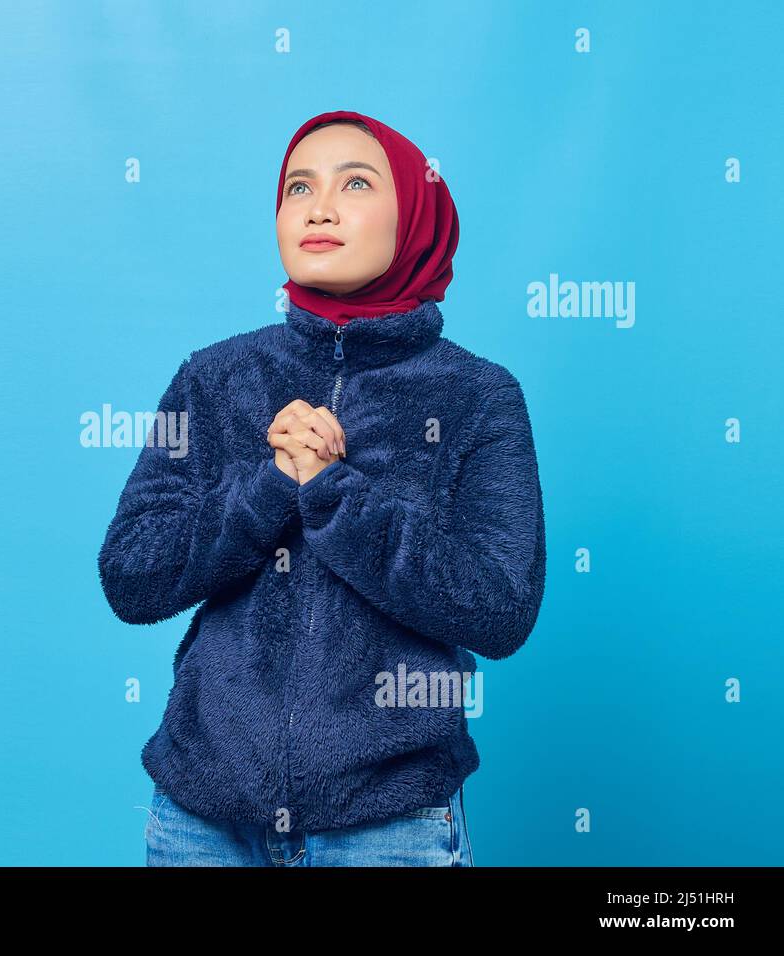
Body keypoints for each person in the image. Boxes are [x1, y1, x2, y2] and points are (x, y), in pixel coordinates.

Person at [98, 110, 546, 866]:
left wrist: (338, 494)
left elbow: (499, 609)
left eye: (357, 183)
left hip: (389, 824)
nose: (320, 206)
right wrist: (269, 483)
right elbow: (132, 576)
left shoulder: (479, 396)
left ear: (415, 218)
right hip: (202, 821)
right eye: (298, 186)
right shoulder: (213, 379)